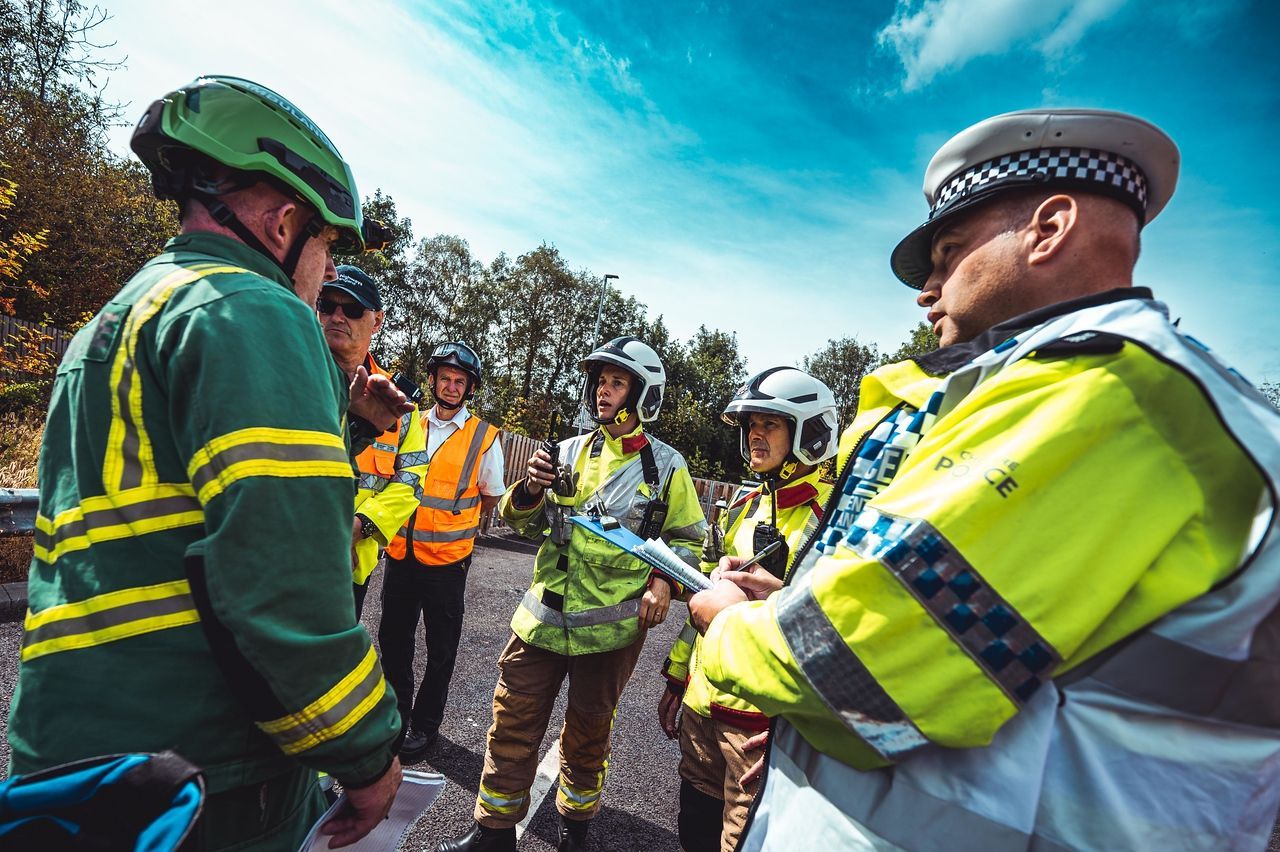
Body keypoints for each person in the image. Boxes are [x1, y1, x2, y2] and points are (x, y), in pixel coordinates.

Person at [690, 108, 1280, 850]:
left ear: (1050, 227)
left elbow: (859, 672)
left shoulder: (1109, 394)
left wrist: (725, 626)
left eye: (950, 250)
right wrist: (796, 602)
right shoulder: (1095, 386)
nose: (927, 286)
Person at [8, 76, 411, 850]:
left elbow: (170, 503)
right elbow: (282, 582)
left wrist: (347, 430)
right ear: (287, 220)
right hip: (206, 768)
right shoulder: (256, 309)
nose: (324, 280)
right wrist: (367, 752)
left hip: (71, 755)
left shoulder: (119, 317)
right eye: (326, 249)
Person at [439, 336, 707, 852]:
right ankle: (492, 835)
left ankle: (574, 833)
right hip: (539, 621)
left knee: (586, 739)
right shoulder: (565, 451)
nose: (603, 392)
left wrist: (664, 581)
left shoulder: (667, 466)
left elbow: (688, 542)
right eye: (601, 381)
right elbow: (516, 519)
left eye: (617, 382)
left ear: (643, 394)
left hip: (610, 632)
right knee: (510, 724)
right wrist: (531, 489)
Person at [659, 367, 837, 852]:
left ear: (811, 433)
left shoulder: (836, 519)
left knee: (743, 843)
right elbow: (705, 601)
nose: (754, 433)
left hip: (764, 726)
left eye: (770, 423)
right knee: (693, 830)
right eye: (750, 424)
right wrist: (678, 677)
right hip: (703, 705)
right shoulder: (742, 506)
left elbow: (840, 624)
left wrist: (777, 594)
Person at [380, 341, 505, 762]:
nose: (451, 387)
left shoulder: (484, 438)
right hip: (400, 555)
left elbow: (490, 497)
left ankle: (425, 726)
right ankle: (396, 717)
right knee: (393, 641)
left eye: (460, 382)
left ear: (470, 389)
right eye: (445, 378)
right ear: (432, 380)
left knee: (441, 649)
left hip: (448, 564)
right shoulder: (406, 421)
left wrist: (453, 526)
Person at [320, 264, 429, 620]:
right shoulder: (288, 374)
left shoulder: (396, 400)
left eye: (352, 309)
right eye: (327, 305)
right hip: (285, 557)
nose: (337, 316)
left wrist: (358, 526)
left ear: (377, 320)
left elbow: (412, 480)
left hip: (353, 565)